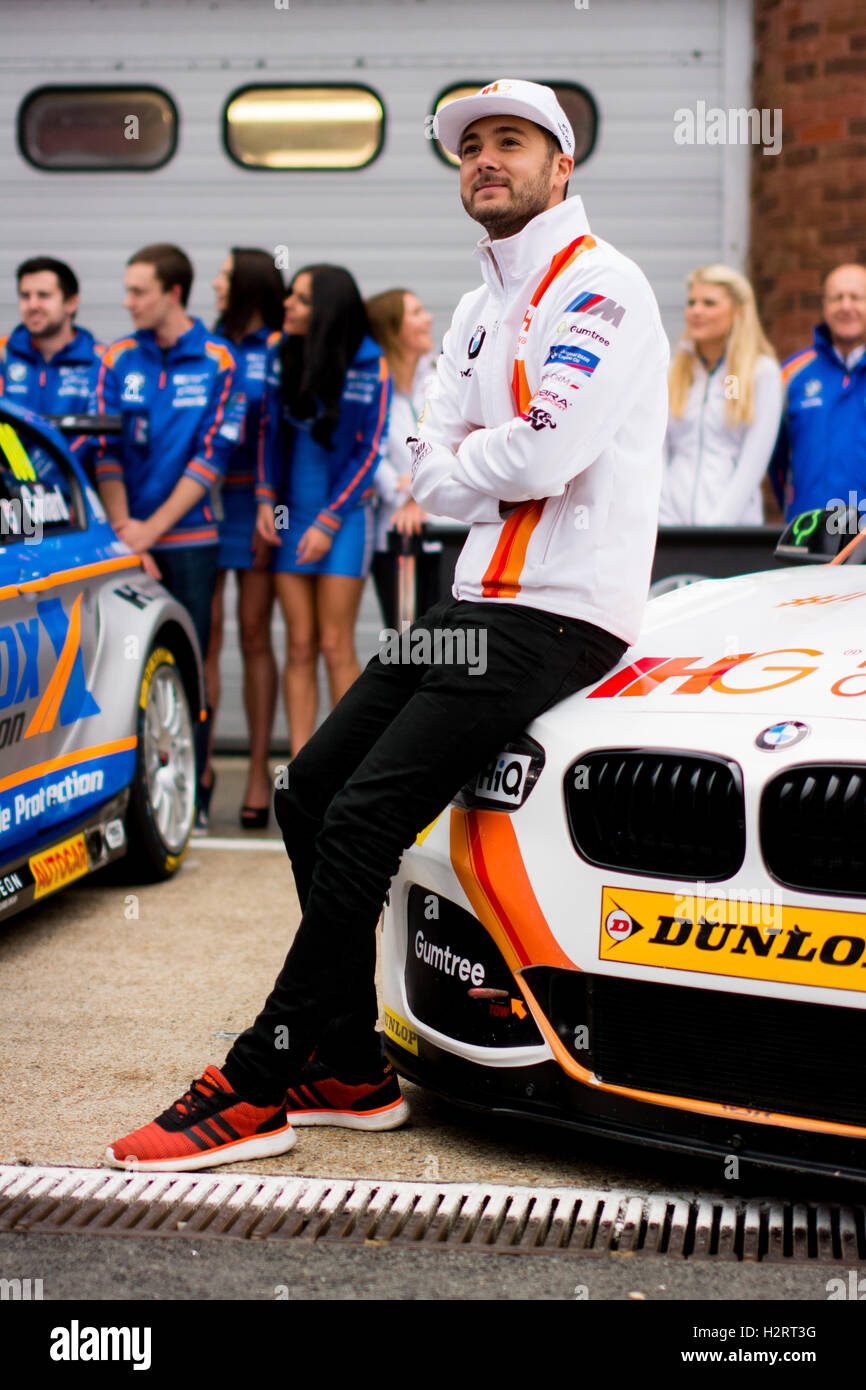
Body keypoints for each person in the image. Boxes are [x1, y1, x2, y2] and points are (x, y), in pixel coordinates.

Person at [106, 79, 669, 1172]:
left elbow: (536, 454)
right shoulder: (471, 307)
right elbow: (428, 459)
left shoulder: (604, 288)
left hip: (562, 615)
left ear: (561, 168)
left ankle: (264, 1070)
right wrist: (461, 461)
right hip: (475, 605)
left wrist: (458, 460)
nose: (485, 162)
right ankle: (352, 1067)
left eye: (511, 143)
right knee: (309, 787)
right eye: (469, 148)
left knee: (364, 817)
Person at [93, 243, 245, 799]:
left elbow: (211, 460)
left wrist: (149, 533)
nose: (128, 302)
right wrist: (125, 533)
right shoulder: (116, 358)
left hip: (189, 542)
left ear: (173, 293)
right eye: (128, 290)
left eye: (139, 291)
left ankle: (192, 787)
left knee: (192, 659)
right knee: (120, 662)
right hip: (121, 539)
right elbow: (104, 451)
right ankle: (124, 790)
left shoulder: (219, 361)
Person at [255, 265, 391, 755]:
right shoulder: (279, 352)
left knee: (335, 645)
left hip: (345, 518)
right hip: (291, 518)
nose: (288, 304)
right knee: (298, 645)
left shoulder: (369, 363)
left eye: (301, 299)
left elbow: (370, 449)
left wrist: (330, 519)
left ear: (327, 310)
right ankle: (299, 767)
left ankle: (346, 769)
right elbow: (269, 434)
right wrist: (265, 500)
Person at [196, 249, 285, 833]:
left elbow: (278, 429)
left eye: (225, 277)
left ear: (249, 286)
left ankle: (257, 770)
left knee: (254, 634)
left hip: (258, 507)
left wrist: (267, 504)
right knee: (205, 634)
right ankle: (199, 769)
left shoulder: (278, 346)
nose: (215, 285)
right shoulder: (204, 343)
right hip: (202, 500)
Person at [659, 265, 782, 526]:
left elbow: (754, 461)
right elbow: (659, 451)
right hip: (672, 527)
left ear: (738, 311)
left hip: (733, 530)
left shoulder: (761, 373)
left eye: (709, 303)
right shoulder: (673, 372)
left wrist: (719, 526)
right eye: (691, 302)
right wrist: (664, 517)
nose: (696, 311)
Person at [770, 263, 866, 521]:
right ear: (824, 306)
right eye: (837, 298)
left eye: (856, 297)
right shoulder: (791, 374)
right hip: (810, 531)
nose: (846, 306)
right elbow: (774, 457)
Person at [365, 287, 436, 627]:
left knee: (457, 650)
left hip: (447, 533)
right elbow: (366, 450)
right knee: (408, 647)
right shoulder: (371, 389)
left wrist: (422, 486)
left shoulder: (441, 379)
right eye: (417, 312)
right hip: (394, 537)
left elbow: (460, 443)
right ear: (393, 330)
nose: (429, 319)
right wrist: (400, 487)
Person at [0, 256, 104, 466]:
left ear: (71, 302)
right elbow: (2, 427)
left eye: (44, 296)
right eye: (25, 296)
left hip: (78, 487)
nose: (33, 305)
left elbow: (101, 437)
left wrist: (57, 467)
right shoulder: (3, 354)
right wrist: (23, 469)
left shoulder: (100, 360)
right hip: (14, 489)